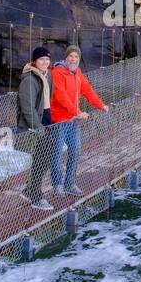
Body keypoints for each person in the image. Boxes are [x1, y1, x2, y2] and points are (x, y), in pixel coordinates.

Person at [49, 45, 108, 195]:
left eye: (76, 57)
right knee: (56, 153)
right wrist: (78, 112)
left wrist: (101, 105)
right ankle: (57, 185)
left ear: (79, 59)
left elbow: (88, 90)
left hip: (73, 120)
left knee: (75, 151)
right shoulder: (57, 72)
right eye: (71, 56)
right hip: (60, 120)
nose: (73, 59)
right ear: (66, 57)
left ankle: (70, 184)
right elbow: (60, 96)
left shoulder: (77, 73)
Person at [16, 46, 56, 211]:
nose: (45, 62)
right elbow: (27, 107)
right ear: (35, 61)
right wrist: (38, 128)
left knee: (46, 155)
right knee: (42, 156)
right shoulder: (30, 80)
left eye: (47, 59)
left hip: (46, 119)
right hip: (35, 124)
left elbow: (48, 100)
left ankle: (30, 189)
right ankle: (35, 195)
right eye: (41, 59)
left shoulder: (48, 75)